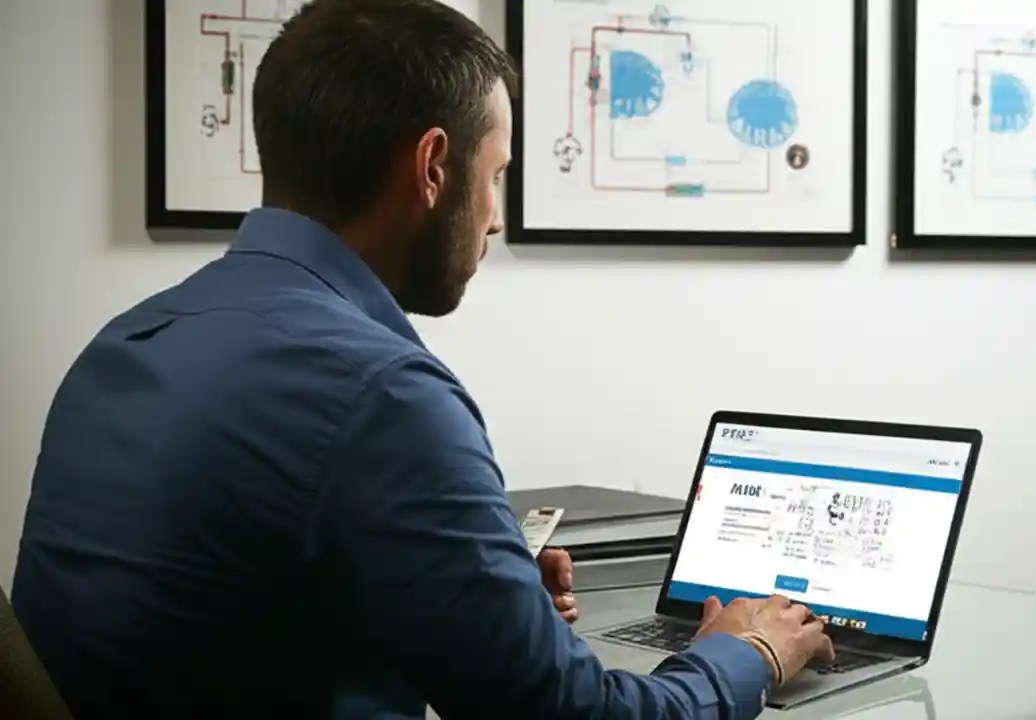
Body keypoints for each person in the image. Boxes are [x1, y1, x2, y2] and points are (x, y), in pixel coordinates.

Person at [10, 0, 834, 717]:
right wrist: (747, 653)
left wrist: (466, 599)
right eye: (496, 176)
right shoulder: (381, 395)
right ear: (434, 166)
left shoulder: (126, 342)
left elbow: (220, 618)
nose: (496, 218)